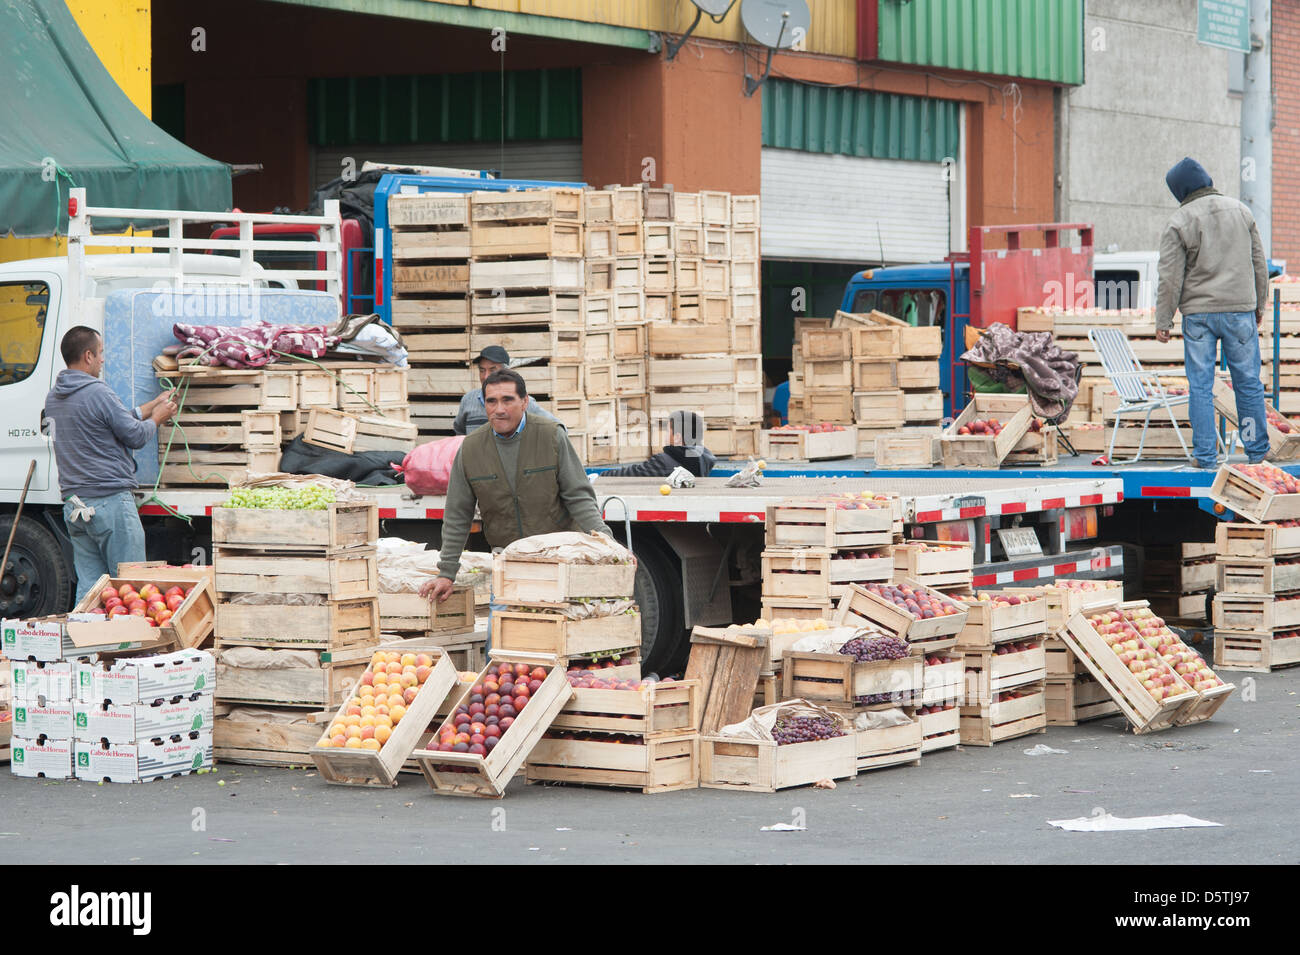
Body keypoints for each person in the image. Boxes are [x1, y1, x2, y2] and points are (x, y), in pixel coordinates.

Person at [421, 368, 613, 604]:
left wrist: (607, 543)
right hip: (508, 563)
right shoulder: (471, 448)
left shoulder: (551, 436)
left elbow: (579, 497)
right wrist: (446, 573)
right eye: (491, 401)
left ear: (525, 402)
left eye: (507, 400)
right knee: (501, 636)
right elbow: (457, 515)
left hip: (558, 561)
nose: (499, 409)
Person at [44, 326, 177, 600]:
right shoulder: (97, 392)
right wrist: (158, 418)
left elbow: (107, 422)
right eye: (101, 352)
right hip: (110, 504)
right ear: (89, 355)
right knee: (130, 584)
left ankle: (88, 638)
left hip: (75, 506)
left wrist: (151, 405)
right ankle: (128, 640)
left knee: (91, 589)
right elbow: (135, 435)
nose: (104, 359)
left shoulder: (54, 397)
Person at [1155, 157, 1270, 468]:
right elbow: (1258, 263)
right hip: (1239, 312)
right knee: (1247, 382)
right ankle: (1256, 452)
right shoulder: (1241, 211)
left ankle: (1206, 455)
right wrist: (1260, 305)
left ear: (1180, 191)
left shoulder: (1179, 221)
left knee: (1201, 385)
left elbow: (1170, 277)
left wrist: (1163, 320)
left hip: (1199, 317)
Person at [452, 345, 559, 435]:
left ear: (506, 371)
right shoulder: (468, 400)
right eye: (482, 370)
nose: (486, 376)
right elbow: (460, 433)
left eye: (492, 370)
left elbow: (556, 428)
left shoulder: (522, 401)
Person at [598, 410, 717, 478]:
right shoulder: (703, 459)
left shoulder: (664, 461)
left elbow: (631, 474)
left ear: (677, 437)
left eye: (667, 431)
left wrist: (601, 476)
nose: (664, 435)